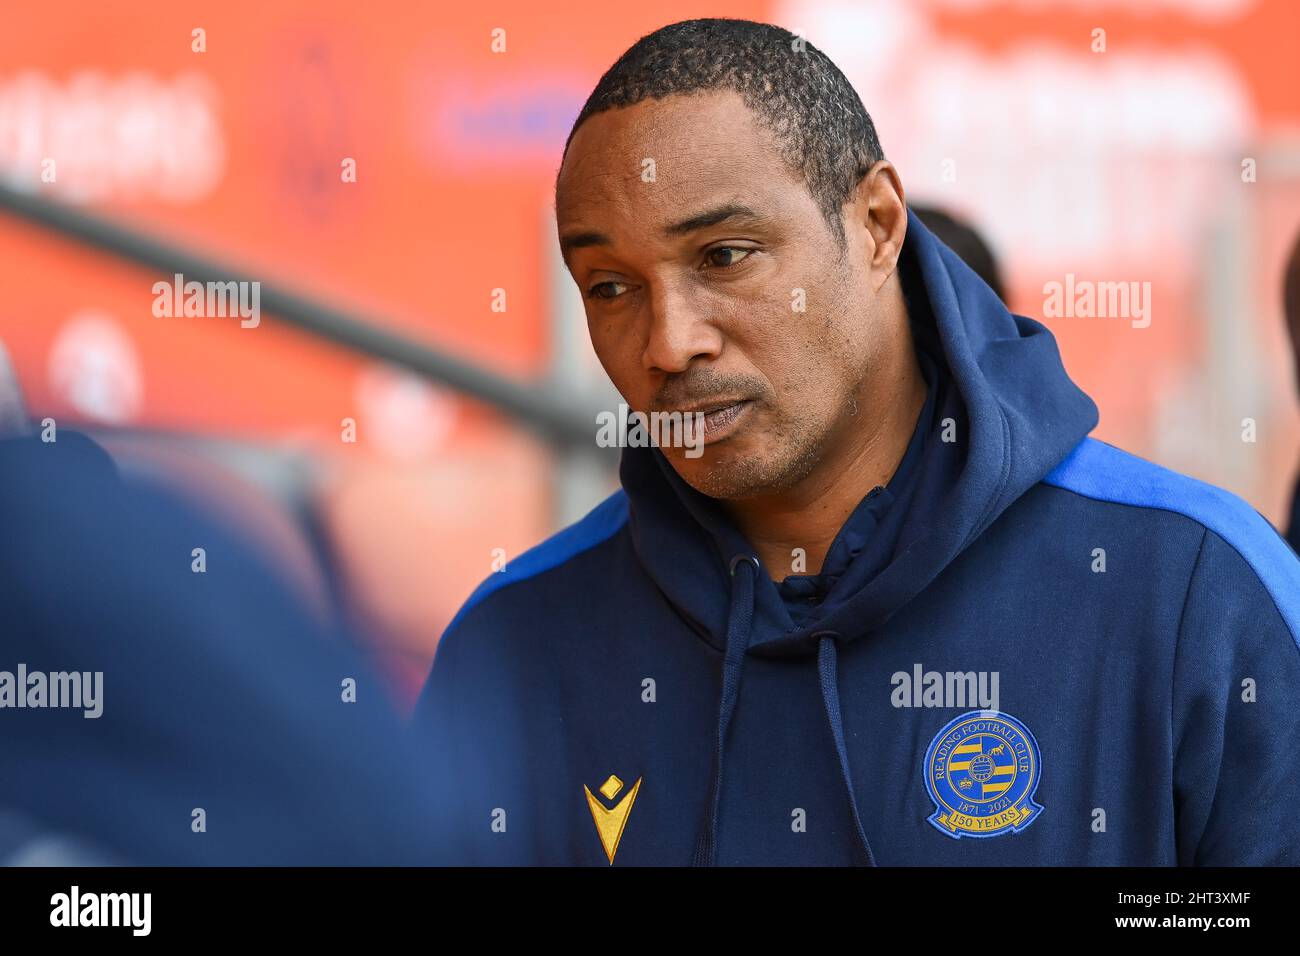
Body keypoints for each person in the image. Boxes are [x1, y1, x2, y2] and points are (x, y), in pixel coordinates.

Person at [415, 17, 1300, 865]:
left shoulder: (1196, 592)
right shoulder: (512, 649)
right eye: (610, 286)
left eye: (724, 255)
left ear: (877, 224)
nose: (668, 342)